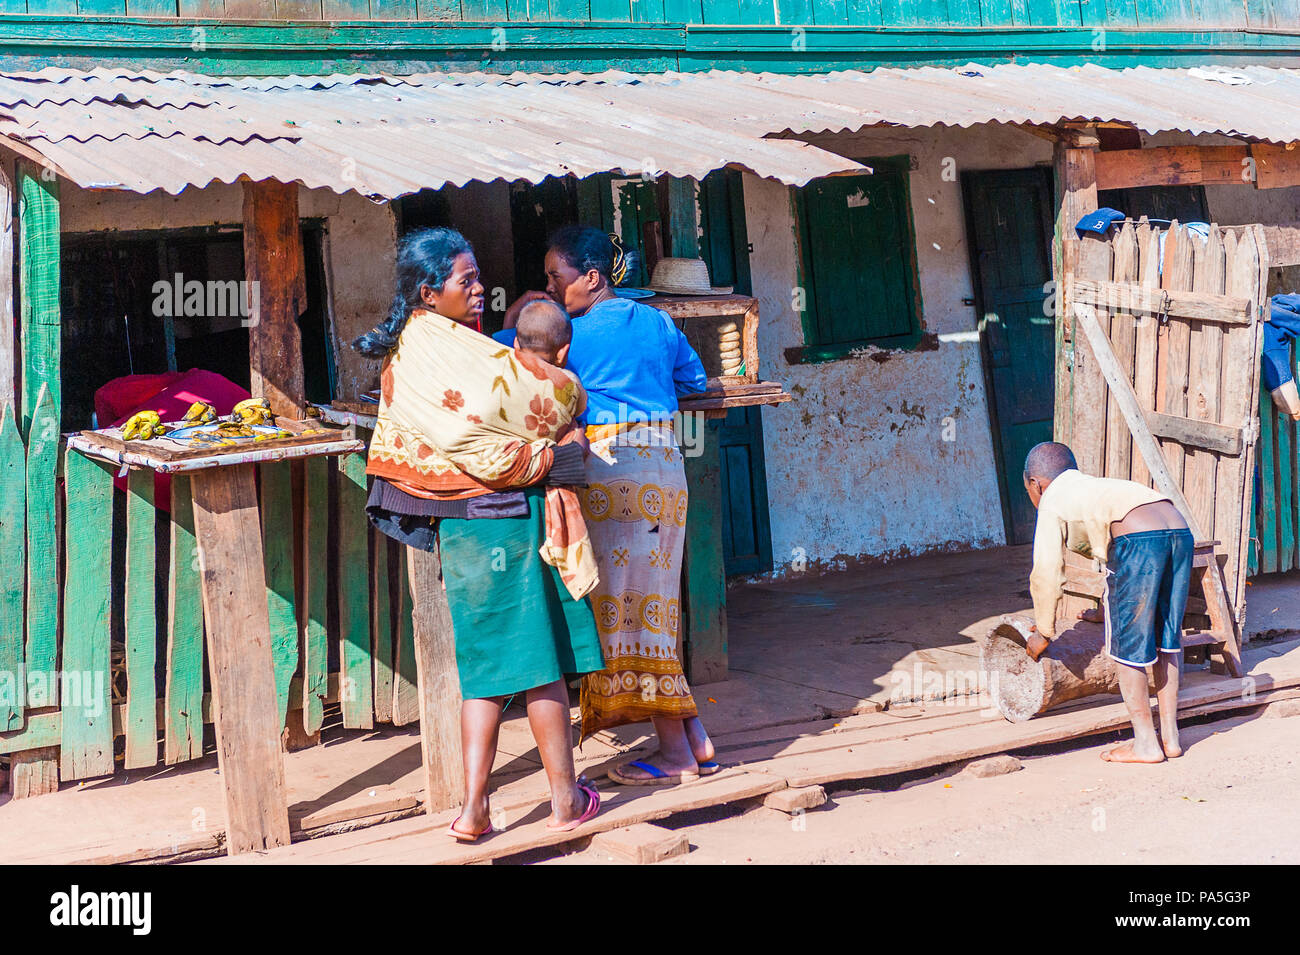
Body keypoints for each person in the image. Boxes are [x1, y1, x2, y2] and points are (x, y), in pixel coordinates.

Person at [354, 227, 603, 839]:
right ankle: (566, 800)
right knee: (542, 662)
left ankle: (474, 809)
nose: (479, 290)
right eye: (466, 281)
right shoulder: (441, 351)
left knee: (486, 670)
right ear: (428, 292)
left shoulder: (437, 348)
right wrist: (558, 440)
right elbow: (537, 400)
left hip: (464, 534)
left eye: (476, 276)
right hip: (508, 522)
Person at [499, 226, 718, 786]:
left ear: (591, 277)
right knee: (656, 610)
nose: (549, 287)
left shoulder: (569, 334)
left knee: (625, 619)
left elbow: (513, 364)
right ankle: (694, 739)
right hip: (665, 470)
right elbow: (693, 379)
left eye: (556, 276)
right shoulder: (659, 321)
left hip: (611, 473)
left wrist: (524, 314)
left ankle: (674, 755)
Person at [1023, 441, 1193, 764]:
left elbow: (1046, 572)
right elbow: (1109, 556)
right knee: (1167, 640)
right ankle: (1170, 737)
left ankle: (1145, 743)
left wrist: (1043, 632)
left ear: (1036, 484)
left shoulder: (1051, 500)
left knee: (1127, 647)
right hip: (1179, 530)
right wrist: (1106, 611)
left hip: (1140, 538)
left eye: (1031, 491)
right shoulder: (1093, 487)